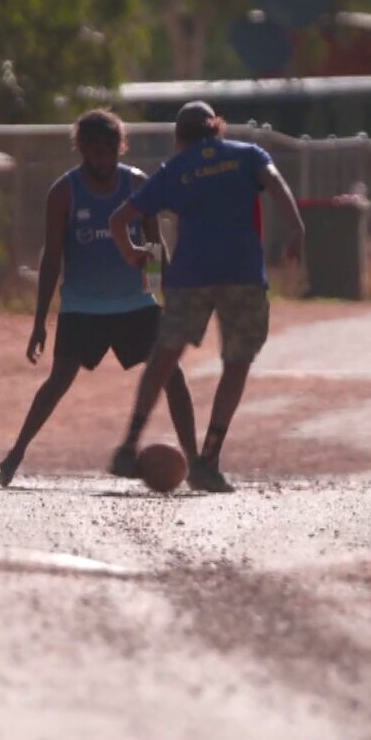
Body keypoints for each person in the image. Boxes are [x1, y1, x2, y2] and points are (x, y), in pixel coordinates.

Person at [0, 110, 198, 487]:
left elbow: (154, 246)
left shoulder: (137, 185)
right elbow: (52, 257)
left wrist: (159, 295)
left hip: (136, 305)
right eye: (94, 152)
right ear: (82, 149)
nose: (102, 160)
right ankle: (13, 458)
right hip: (82, 307)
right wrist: (39, 322)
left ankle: (197, 464)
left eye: (109, 151)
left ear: (120, 148)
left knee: (172, 376)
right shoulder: (64, 192)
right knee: (58, 380)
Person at [109, 101, 303, 493]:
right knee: (236, 362)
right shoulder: (249, 155)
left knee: (165, 357)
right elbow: (277, 186)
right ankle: (208, 461)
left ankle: (128, 445)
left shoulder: (175, 169)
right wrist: (296, 231)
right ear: (219, 129)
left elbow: (119, 219)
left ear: (180, 137)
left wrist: (133, 254)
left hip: (189, 277)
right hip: (242, 275)